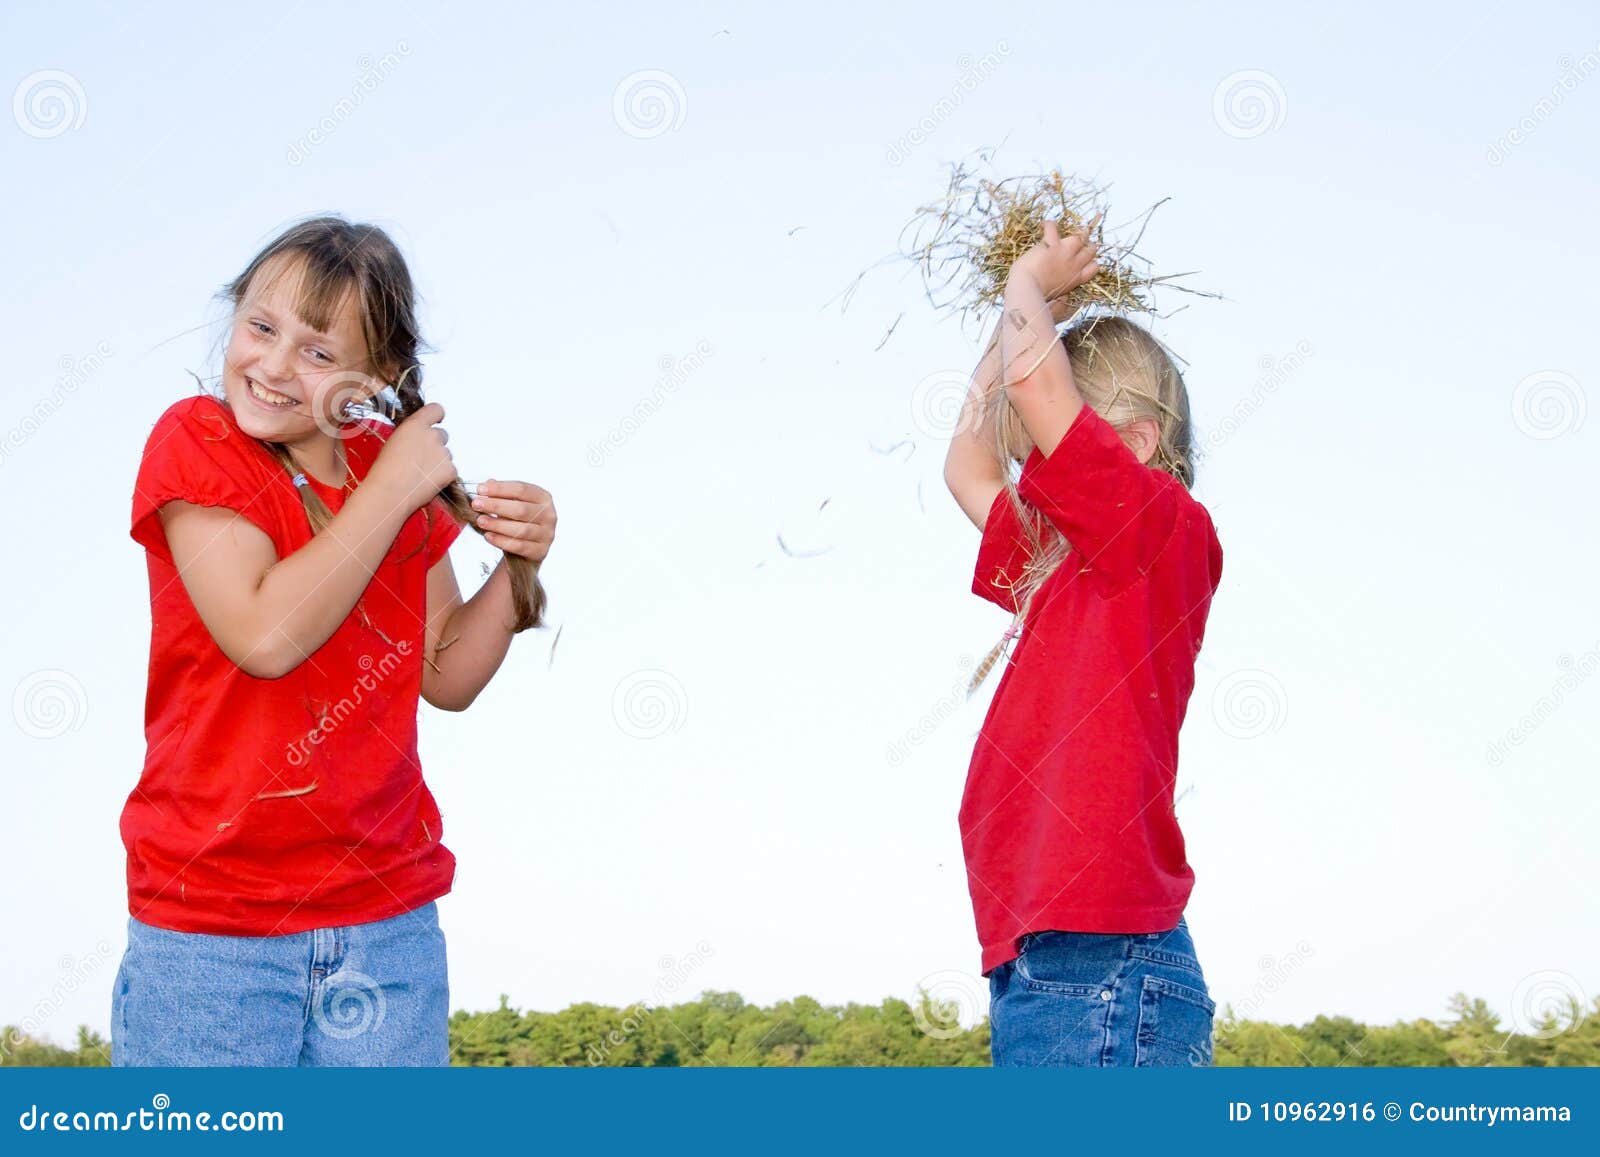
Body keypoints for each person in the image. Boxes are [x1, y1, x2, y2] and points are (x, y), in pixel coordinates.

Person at [113, 216, 555, 1065]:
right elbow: (265, 635)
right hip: (211, 931)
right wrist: (391, 490)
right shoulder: (197, 442)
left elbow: (447, 670)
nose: (274, 366)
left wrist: (517, 565)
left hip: (387, 926)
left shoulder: (389, 471)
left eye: (318, 353)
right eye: (260, 327)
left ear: (378, 375)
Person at [942, 221, 1224, 1066]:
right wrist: (1017, 322)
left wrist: (1027, 281)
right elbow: (966, 464)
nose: (1039, 477)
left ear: (1133, 446)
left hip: (1104, 963)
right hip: (1047, 963)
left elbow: (1038, 391)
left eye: (1061, 451)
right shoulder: (1063, 558)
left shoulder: (1156, 535)